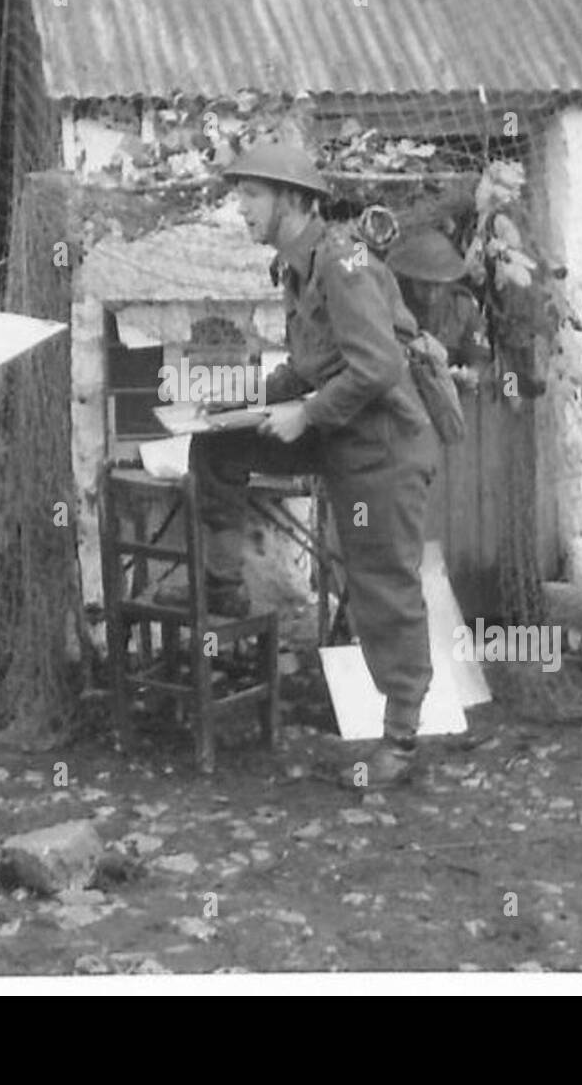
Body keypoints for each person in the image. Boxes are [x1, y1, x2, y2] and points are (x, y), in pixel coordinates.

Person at [164, 142, 438, 789]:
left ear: (292, 200)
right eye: (240, 196)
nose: (241, 209)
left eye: (252, 196)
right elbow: (314, 365)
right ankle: (225, 589)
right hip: (339, 429)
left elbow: (378, 368)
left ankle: (400, 738)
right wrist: (249, 403)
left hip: (382, 443)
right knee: (217, 445)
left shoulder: (342, 262)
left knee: (382, 587)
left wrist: (304, 415)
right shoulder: (295, 266)